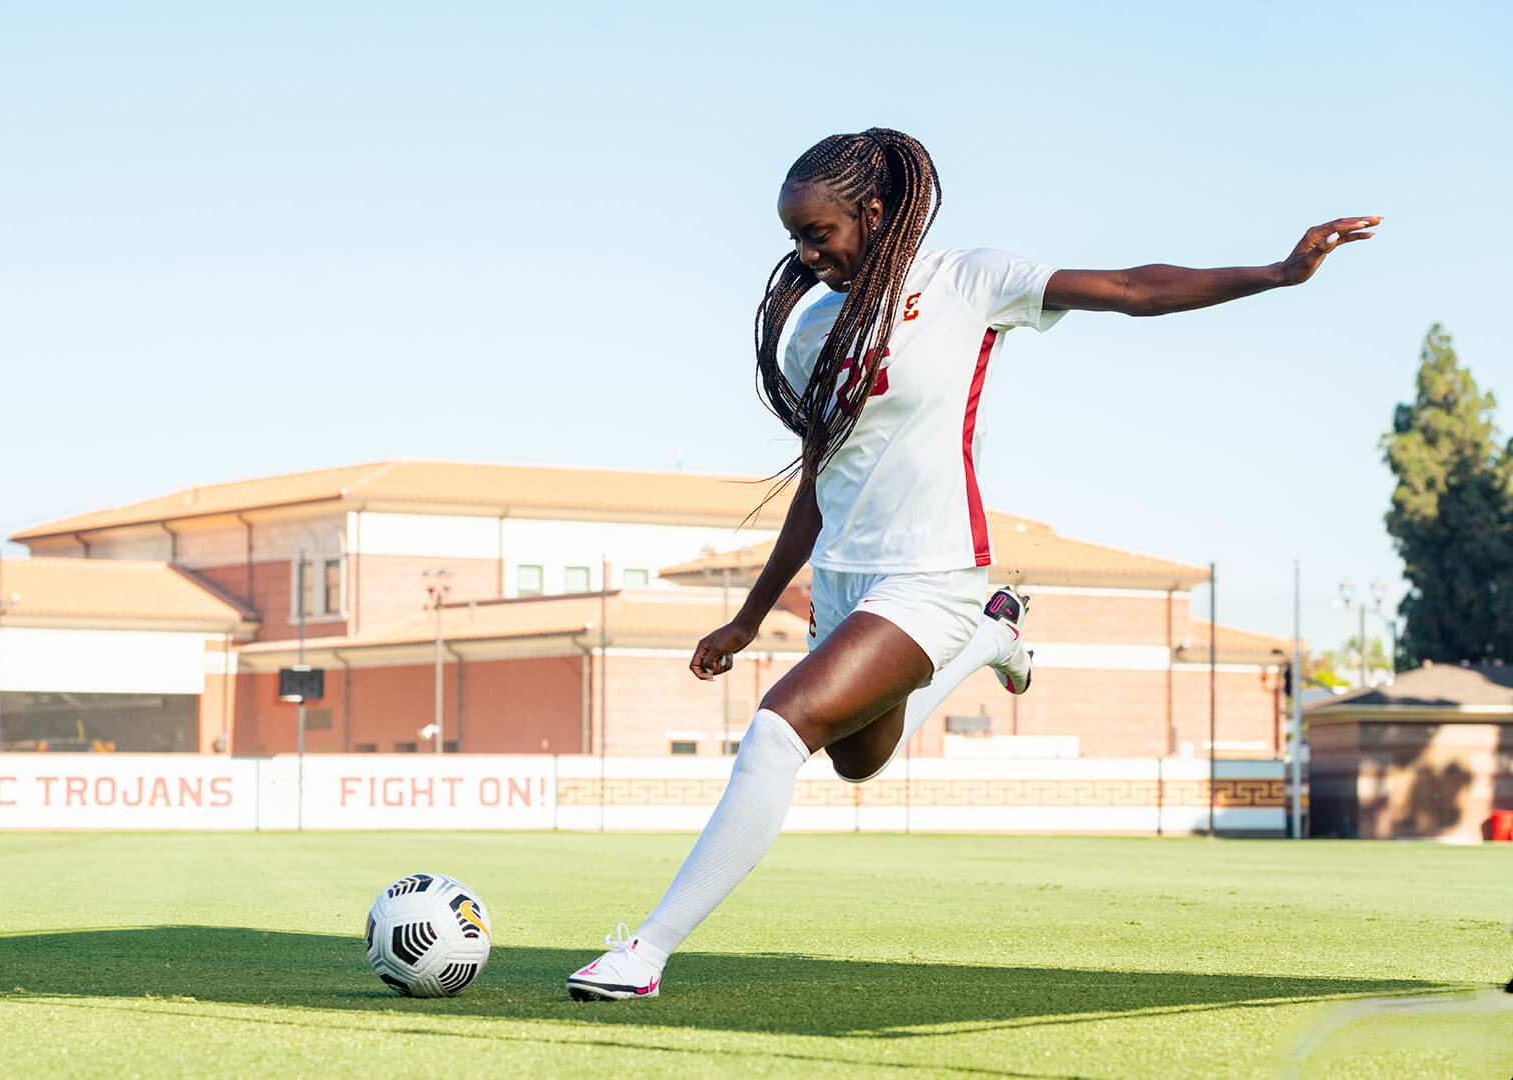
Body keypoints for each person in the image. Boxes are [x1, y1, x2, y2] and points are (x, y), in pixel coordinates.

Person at [566, 127, 1377, 1001]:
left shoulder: (966, 281)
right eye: (793, 238)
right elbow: (817, 484)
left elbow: (1133, 289)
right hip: (844, 584)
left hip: (934, 572)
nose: (804, 255)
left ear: (873, 214)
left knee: (777, 731)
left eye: (818, 234)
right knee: (855, 763)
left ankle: (644, 952)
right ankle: (995, 640)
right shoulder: (812, 333)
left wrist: (1276, 273)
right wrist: (751, 614)